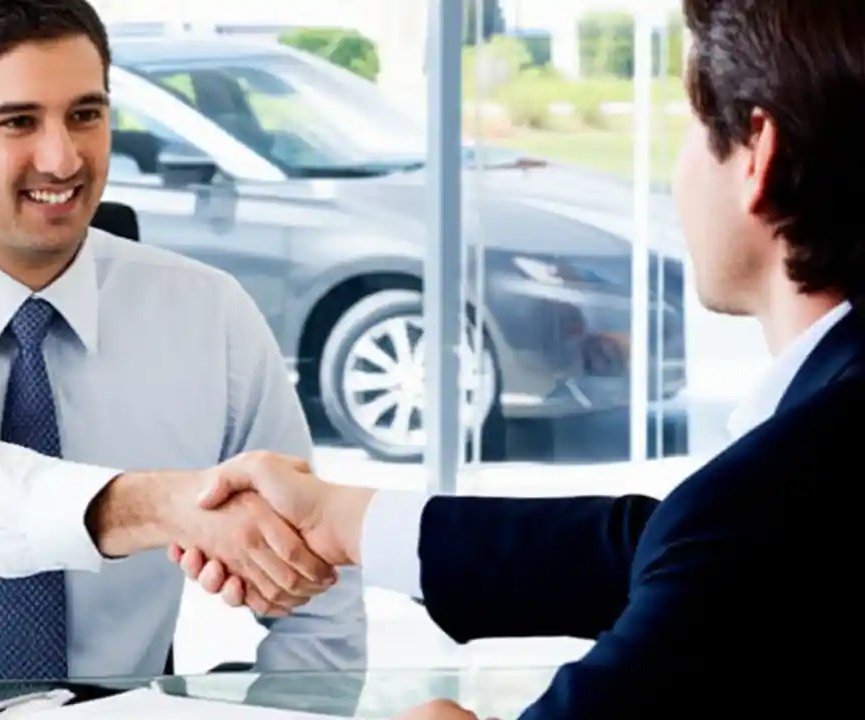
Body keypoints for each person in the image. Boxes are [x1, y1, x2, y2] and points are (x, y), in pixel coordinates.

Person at [173, 1, 864, 717]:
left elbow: (715, 553)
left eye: (689, 123)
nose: (675, 170)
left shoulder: (782, 484)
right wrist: (344, 521)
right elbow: (673, 552)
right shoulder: (804, 454)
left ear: (759, 154)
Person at [0, 0, 365, 687]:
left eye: (85, 114)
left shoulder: (210, 317)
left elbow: (321, 600)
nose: (63, 158)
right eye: (19, 121)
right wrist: (158, 505)